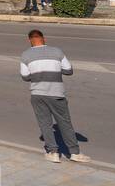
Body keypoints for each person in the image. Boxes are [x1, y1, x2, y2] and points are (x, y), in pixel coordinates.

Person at [20, 29, 89, 163]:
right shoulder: (57, 51)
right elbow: (69, 70)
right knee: (65, 122)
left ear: (30, 41)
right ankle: (74, 153)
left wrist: (38, 74)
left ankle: (53, 153)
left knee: (45, 123)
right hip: (56, 93)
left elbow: (25, 76)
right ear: (43, 39)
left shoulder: (25, 55)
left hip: (37, 94)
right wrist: (56, 70)